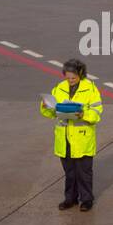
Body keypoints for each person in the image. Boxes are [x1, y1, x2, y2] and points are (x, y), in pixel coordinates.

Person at [40, 59, 102, 211]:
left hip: (82, 138)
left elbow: (96, 113)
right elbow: (50, 113)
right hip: (65, 138)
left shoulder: (91, 90)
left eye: (73, 77)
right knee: (69, 172)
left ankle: (86, 200)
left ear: (81, 74)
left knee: (84, 172)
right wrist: (45, 106)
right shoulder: (59, 88)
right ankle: (70, 199)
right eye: (67, 77)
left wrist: (83, 114)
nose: (70, 80)